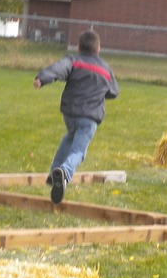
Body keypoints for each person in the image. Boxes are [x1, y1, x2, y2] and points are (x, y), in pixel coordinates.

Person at [33, 30, 119, 204]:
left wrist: (42, 79)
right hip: (90, 117)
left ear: (78, 47)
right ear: (99, 49)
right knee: (79, 151)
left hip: (70, 113)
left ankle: (54, 173)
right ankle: (64, 172)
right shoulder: (105, 68)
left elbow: (57, 69)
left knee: (69, 138)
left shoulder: (73, 60)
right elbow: (113, 91)